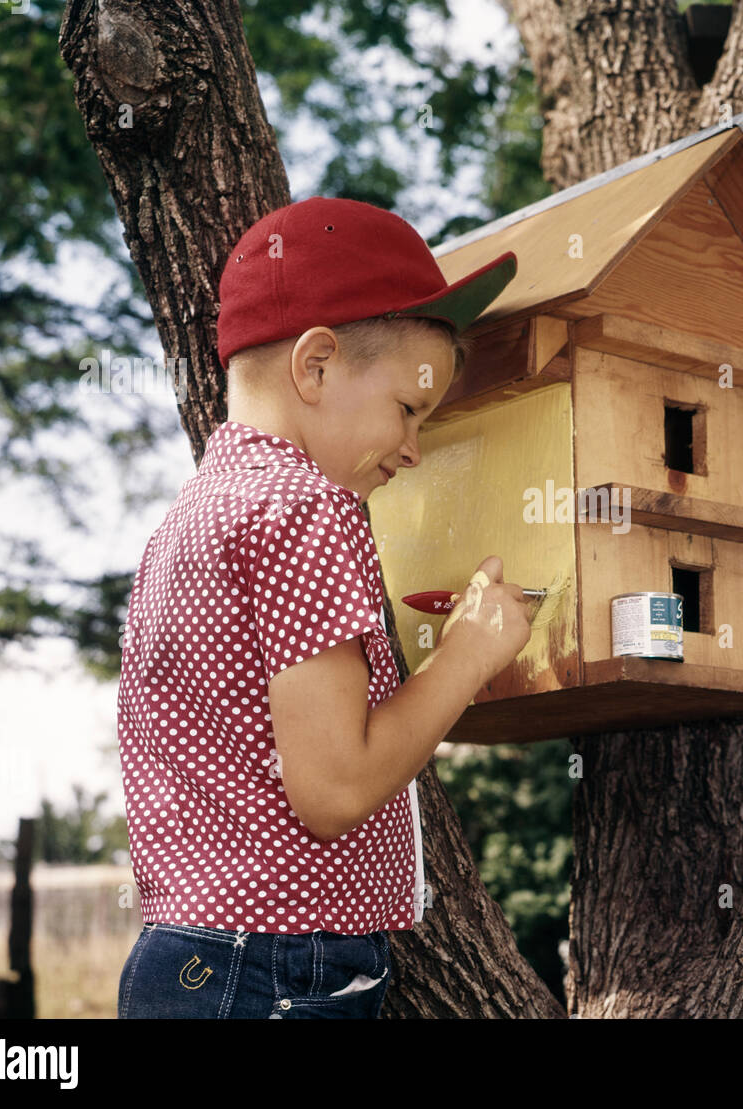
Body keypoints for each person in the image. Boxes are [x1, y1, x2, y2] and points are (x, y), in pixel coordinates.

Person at [115, 197, 533, 1018]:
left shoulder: (192, 517)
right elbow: (336, 785)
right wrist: (469, 655)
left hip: (193, 956)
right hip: (275, 968)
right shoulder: (306, 507)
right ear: (315, 367)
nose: (414, 449)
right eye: (409, 410)